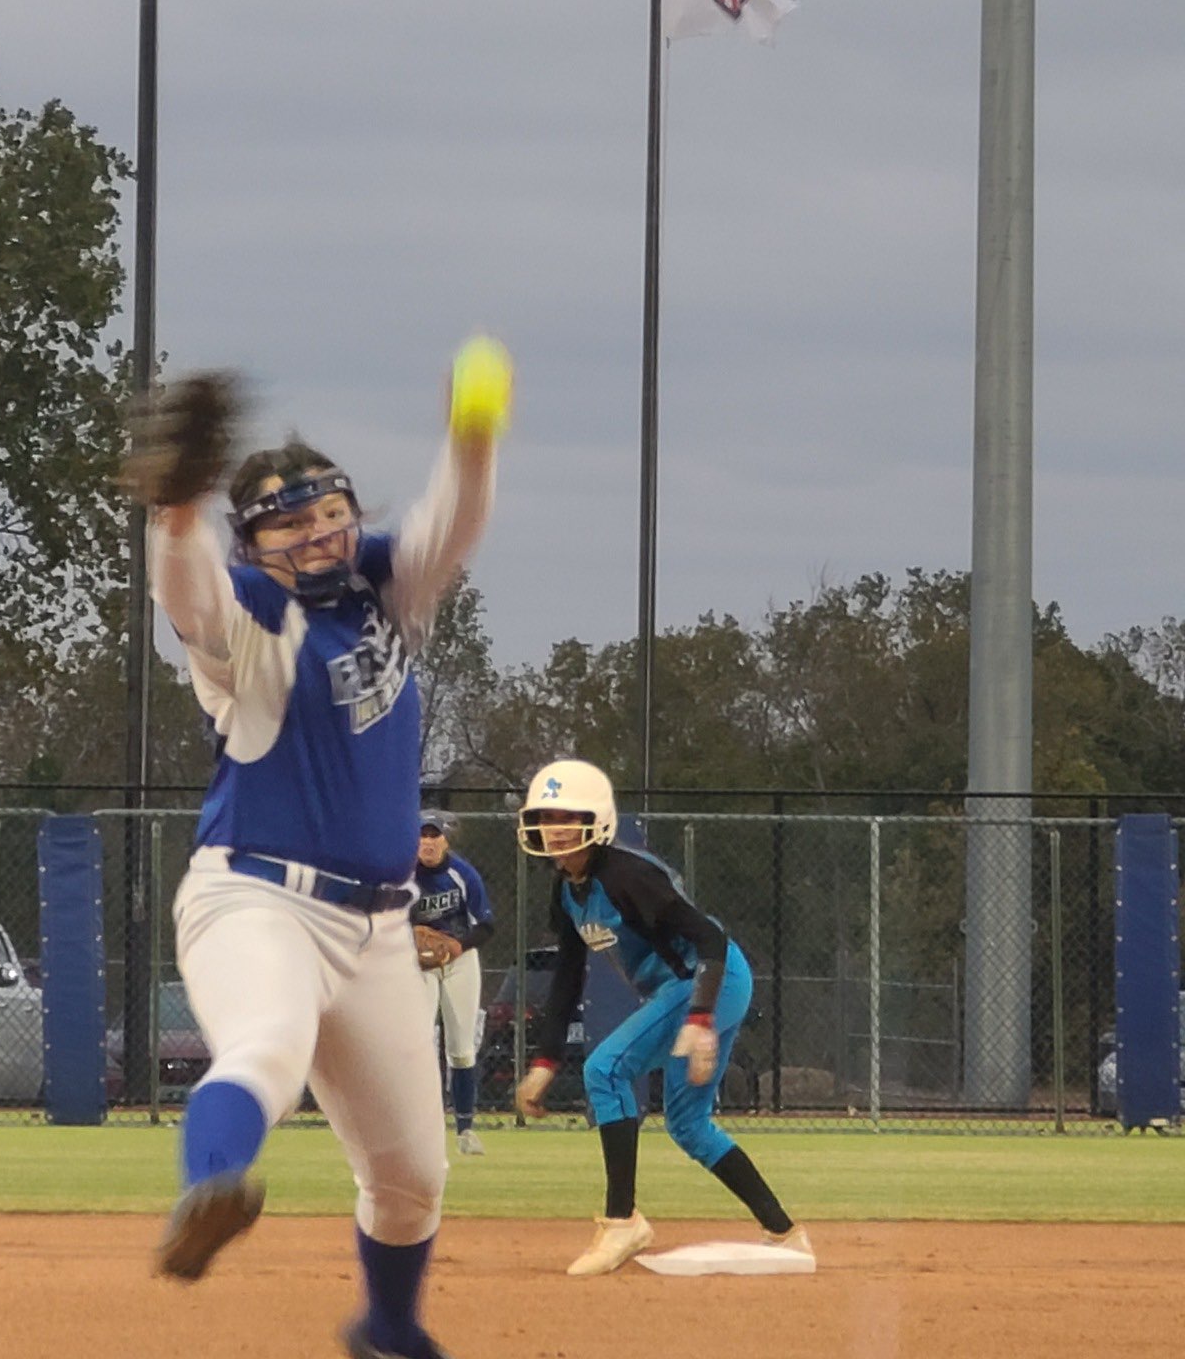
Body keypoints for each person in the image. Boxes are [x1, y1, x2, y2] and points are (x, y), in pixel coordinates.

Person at [143, 342, 510, 1359]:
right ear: (251, 543)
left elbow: (453, 519)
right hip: (257, 898)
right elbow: (188, 594)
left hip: (382, 925)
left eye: (326, 511)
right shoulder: (253, 621)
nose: (314, 532)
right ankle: (212, 1185)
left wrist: (473, 435)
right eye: (285, 521)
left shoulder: (387, 591)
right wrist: (174, 511)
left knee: (412, 1178)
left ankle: (387, 1328)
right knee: (265, 1046)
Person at [513, 758, 810, 1277]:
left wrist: (699, 1019)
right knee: (690, 1126)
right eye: (545, 817)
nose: (554, 829)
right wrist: (544, 1058)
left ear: (597, 819)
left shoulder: (627, 874)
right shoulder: (566, 892)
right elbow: (566, 979)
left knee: (605, 1069)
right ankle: (786, 1233)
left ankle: (621, 1220)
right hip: (692, 988)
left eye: (566, 816)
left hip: (710, 977)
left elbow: (711, 939)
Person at [410, 811, 495, 1155]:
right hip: (417, 965)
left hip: (460, 961)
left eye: (435, 836)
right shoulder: (402, 875)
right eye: (423, 835)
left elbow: (486, 925)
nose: (428, 842)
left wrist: (458, 946)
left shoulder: (462, 874)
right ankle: (422, 1128)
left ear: (446, 840)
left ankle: (465, 1130)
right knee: (419, 1045)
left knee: (461, 1049)